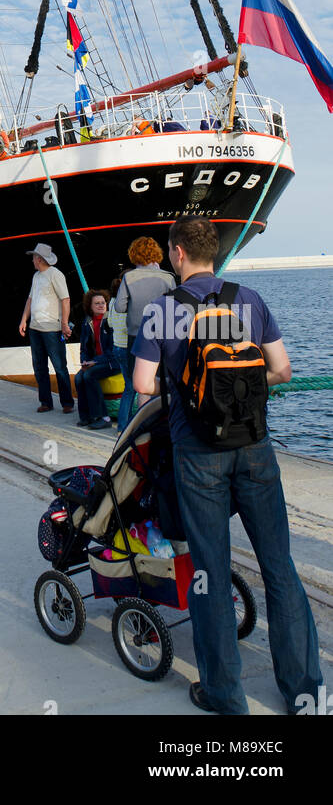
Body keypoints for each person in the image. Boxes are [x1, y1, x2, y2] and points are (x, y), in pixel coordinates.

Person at [132, 216, 322, 716]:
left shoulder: (162, 310)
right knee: (279, 567)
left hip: (197, 454)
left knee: (210, 573)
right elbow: (282, 370)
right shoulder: (250, 299)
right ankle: (304, 693)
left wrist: (190, 390)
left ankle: (225, 694)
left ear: (176, 254)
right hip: (255, 448)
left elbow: (143, 384)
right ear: (215, 251)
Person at [112, 237, 175, 432]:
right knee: (164, 381)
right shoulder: (168, 277)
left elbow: (120, 307)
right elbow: (176, 307)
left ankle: (143, 426)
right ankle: (166, 422)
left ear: (134, 255)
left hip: (137, 336)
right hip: (163, 335)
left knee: (140, 384)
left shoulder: (129, 278)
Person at [18, 244, 73, 415]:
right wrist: (23, 320)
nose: (32, 260)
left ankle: (67, 402)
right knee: (39, 366)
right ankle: (46, 401)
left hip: (52, 328)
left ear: (39, 259)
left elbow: (65, 299)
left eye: (34, 257)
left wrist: (64, 323)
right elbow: (30, 299)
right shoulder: (36, 276)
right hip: (35, 328)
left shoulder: (55, 275)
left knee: (59, 366)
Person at [73, 289, 119, 431]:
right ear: (90, 306)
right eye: (97, 303)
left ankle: (103, 417)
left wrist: (96, 362)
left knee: (89, 375)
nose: (101, 305)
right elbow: (83, 349)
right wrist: (85, 362)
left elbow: (113, 351)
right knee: (78, 378)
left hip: (113, 362)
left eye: (103, 303)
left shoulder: (110, 322)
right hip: (95, 362)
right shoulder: (87, 323)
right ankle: (86, 416)